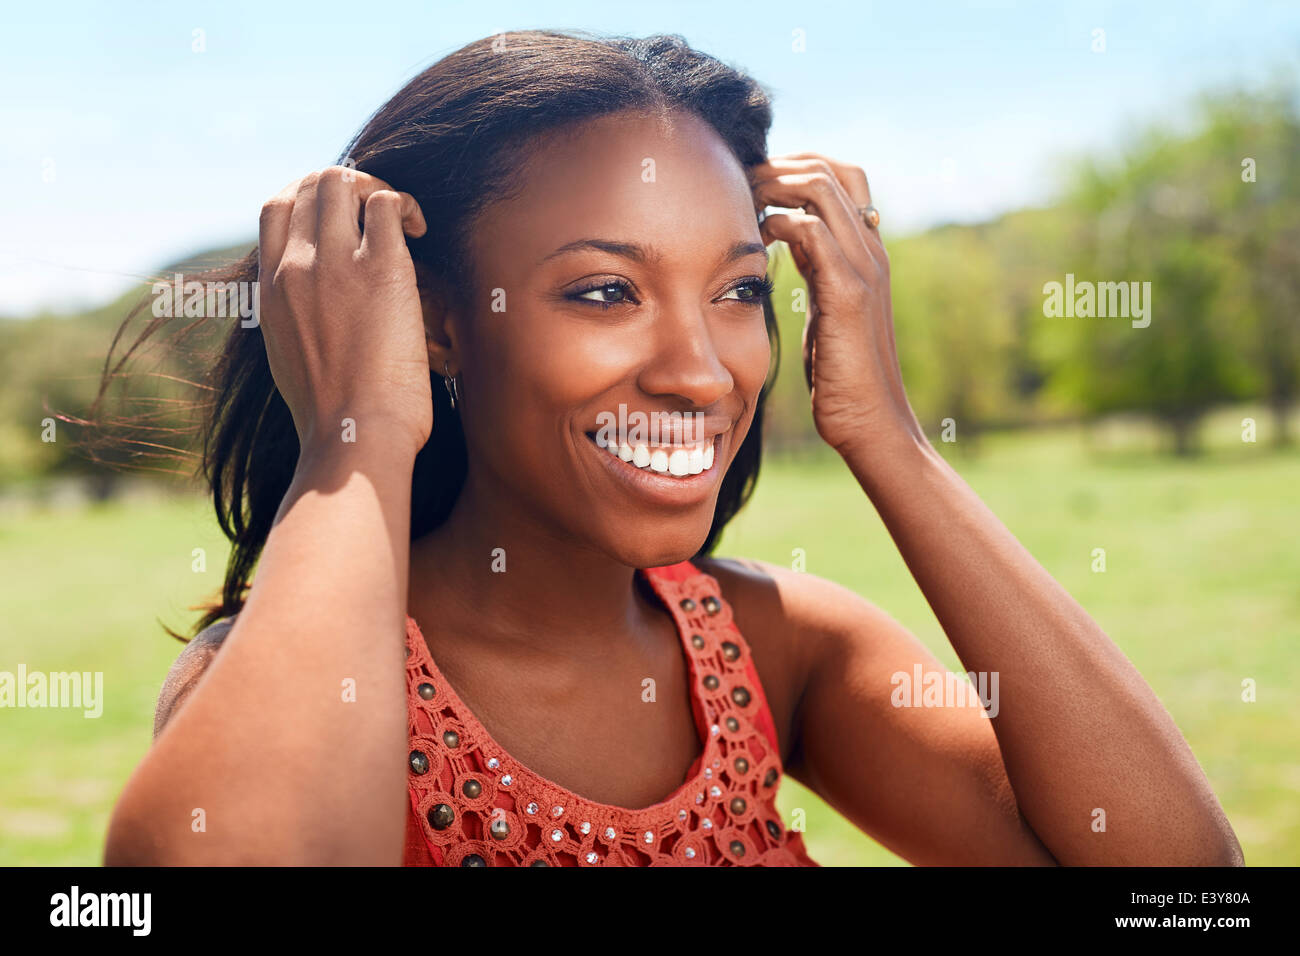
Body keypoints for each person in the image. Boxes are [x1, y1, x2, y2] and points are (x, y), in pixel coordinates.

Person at [102, 29, 1242, 866]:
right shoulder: (273, 682)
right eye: (606, 290)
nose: (700, 369)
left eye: (739, 290)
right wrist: (356, 439)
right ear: (434, 319)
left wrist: (889, 435)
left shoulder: (775, 648)